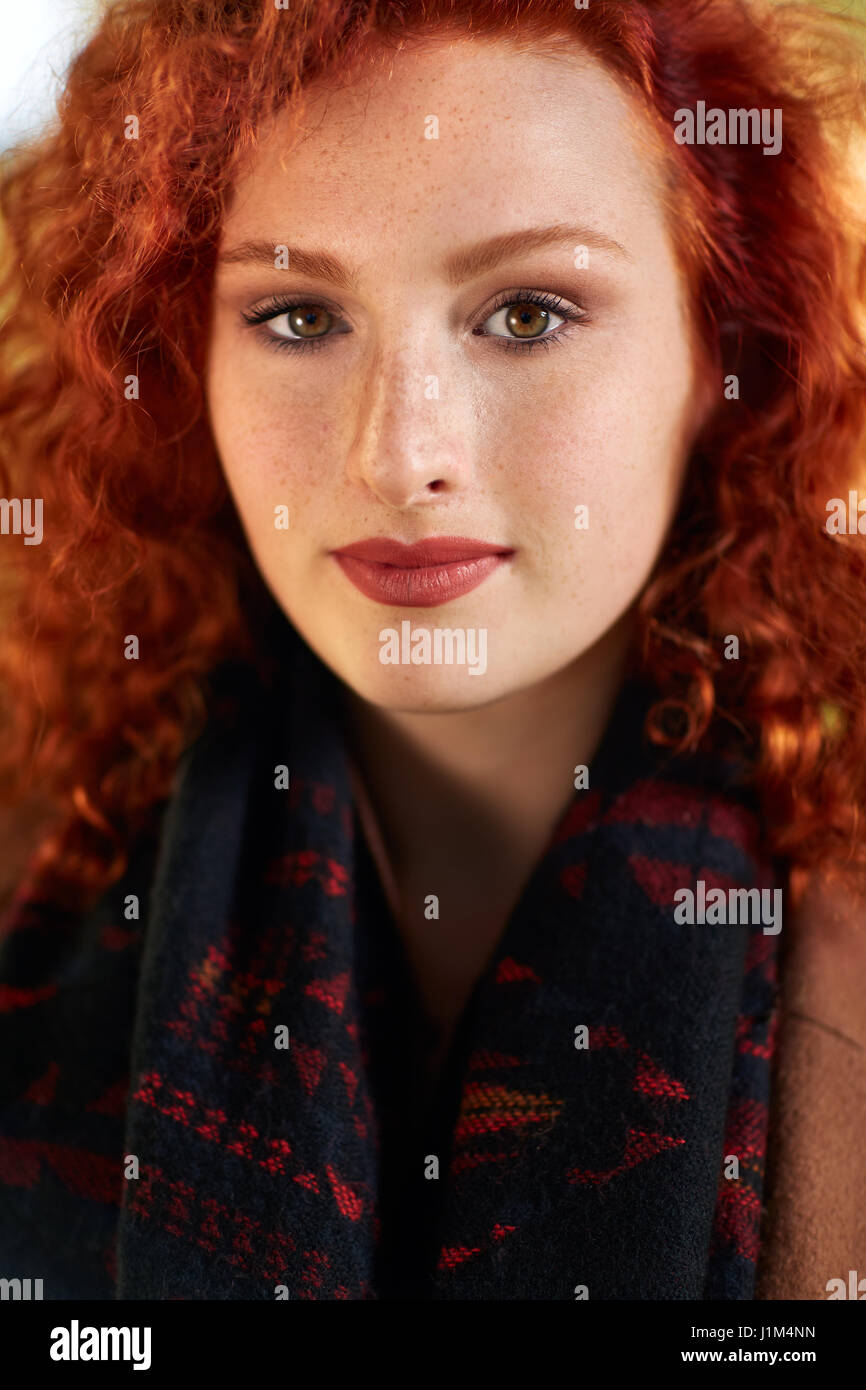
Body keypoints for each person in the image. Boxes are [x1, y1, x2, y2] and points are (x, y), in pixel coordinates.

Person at [0, 0, 864, 1301]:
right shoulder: (29, 883)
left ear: (720, 353)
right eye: (295, 316)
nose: (400, 457)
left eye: (525, 314)